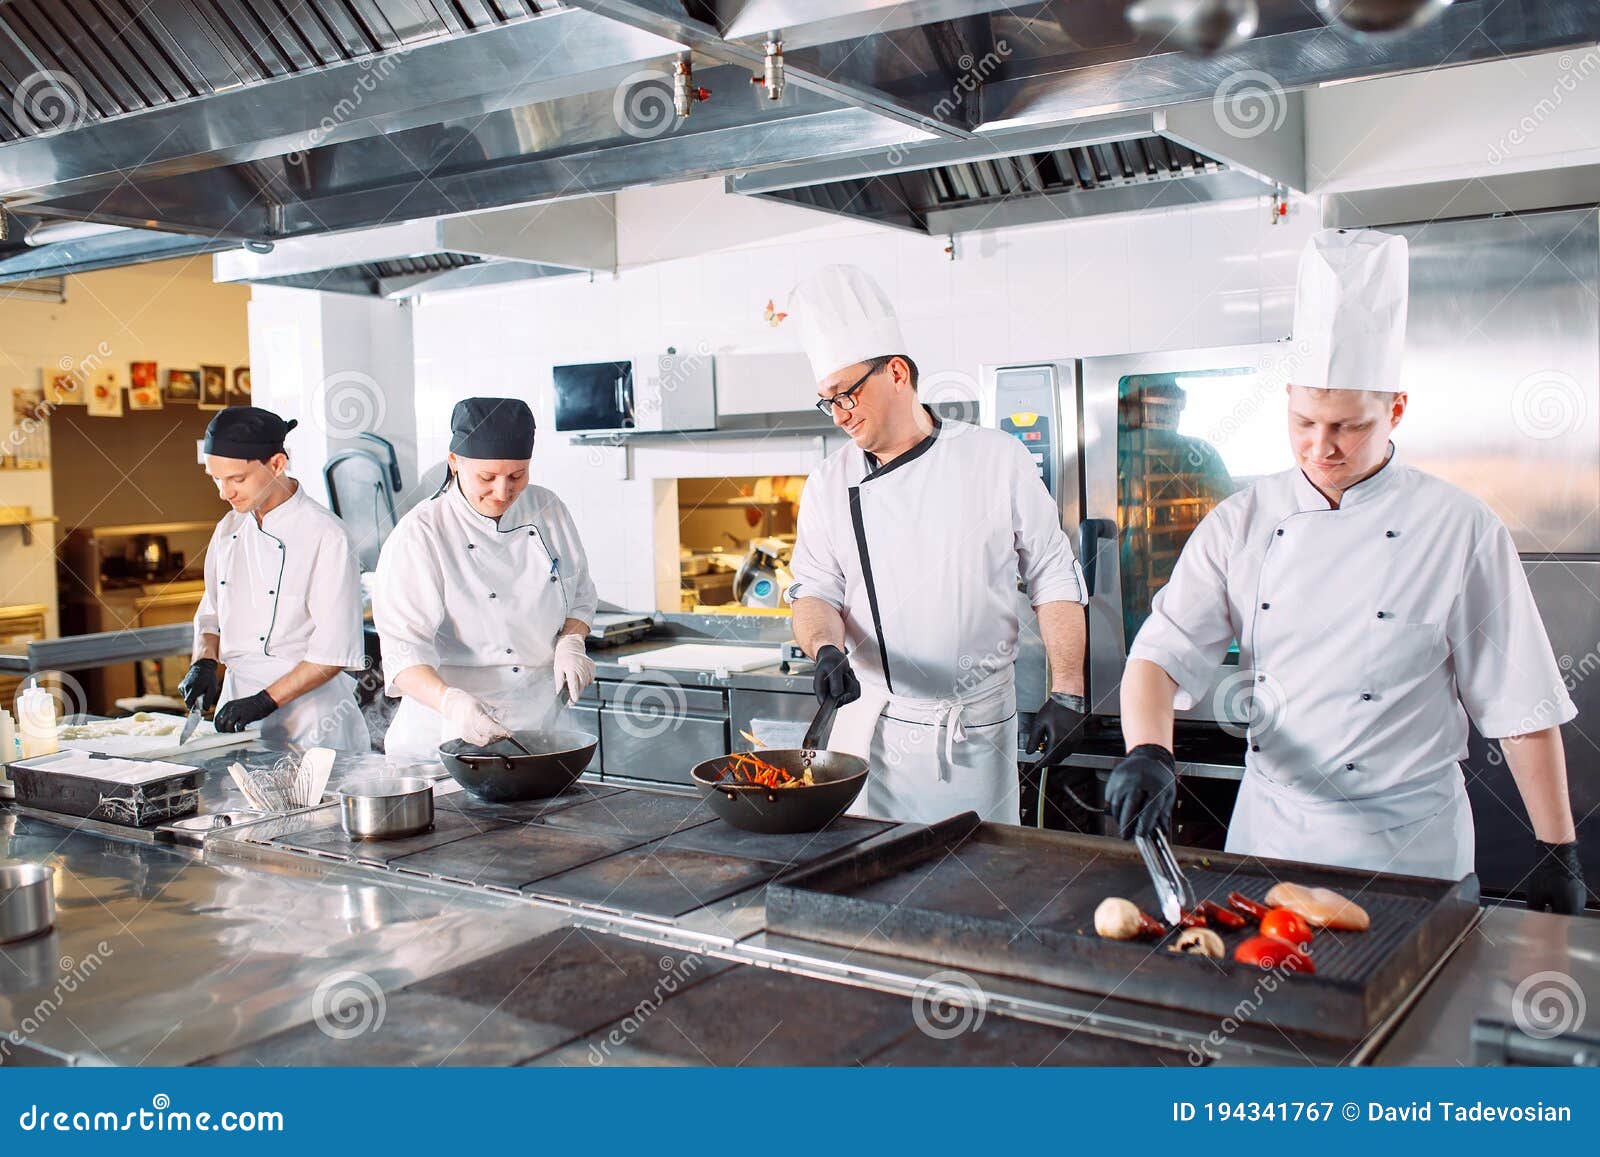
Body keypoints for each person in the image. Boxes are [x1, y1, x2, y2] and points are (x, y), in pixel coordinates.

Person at [1113, 228, 1586, 911]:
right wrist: (1149, 751)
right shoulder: (1243, 521)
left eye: (1348, 427)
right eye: (1304, 421)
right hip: (1274, 835)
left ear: (1395, 409)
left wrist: (1556, 849)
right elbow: (1159, 653)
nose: (1320, 447)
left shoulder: (1461, 528)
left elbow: (1522, 701)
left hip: (1408, 850)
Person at [784, 265, 1090, 825]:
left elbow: (1054, 574)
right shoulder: (829, 482)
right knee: (874, 884)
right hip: (873, 730)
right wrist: (825, 648)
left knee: (981, 889)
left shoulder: (995, 458)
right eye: (827, 401)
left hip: (973, 731)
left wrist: (1068, 689)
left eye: (846, 394)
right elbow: (813, 591)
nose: (840, 413)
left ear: (897, 372)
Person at [374, 397, 597, 757]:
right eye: (487, 477)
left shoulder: (548, 508)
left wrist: (571, 643)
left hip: (536, 724)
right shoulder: (421, 533)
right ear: (454, 462)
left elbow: (581, 595)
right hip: (446, 731)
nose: (502, 491)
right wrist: (452, 704)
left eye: (516, 476)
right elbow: (402, 652)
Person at [181, 406, 371, 751]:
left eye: (237, 479)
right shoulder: (229, 528)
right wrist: (205, 660)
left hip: (311, 719)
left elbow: (332, 653)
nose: (225, 493)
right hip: (237, 709)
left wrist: (264, 701)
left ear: (277, 464)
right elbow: (211, 614)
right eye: (215, 479)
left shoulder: (327, 536)